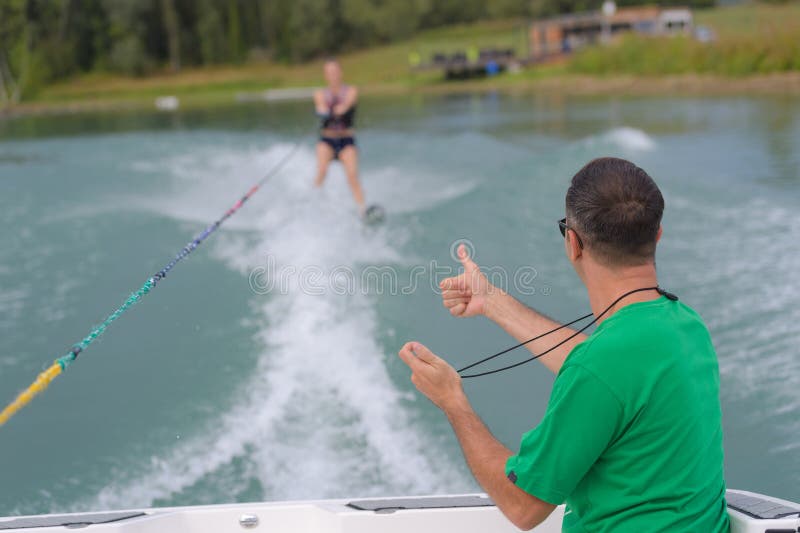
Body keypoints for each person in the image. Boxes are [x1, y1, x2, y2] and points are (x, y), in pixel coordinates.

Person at [398, 157, 729, 532]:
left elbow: (523, 507)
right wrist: (491, 301)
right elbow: (611, 377)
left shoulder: (601, 368)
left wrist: (453, 402)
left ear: (573, 243)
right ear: (657, 236)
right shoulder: (687, 326)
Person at [313, 59, 366, 215]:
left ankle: (362, 210)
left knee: (352, 175)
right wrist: (324, 110)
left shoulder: (351, 91)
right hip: (327, 140)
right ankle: (312, 207)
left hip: (346, 140)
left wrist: (341, 108)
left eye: (335, 72)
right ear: (325, 76)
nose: (333, 75)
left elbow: (348, 103)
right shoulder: (320, 94)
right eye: (329, 73)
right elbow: (320, 105)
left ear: (341, 73)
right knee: (322, 171)